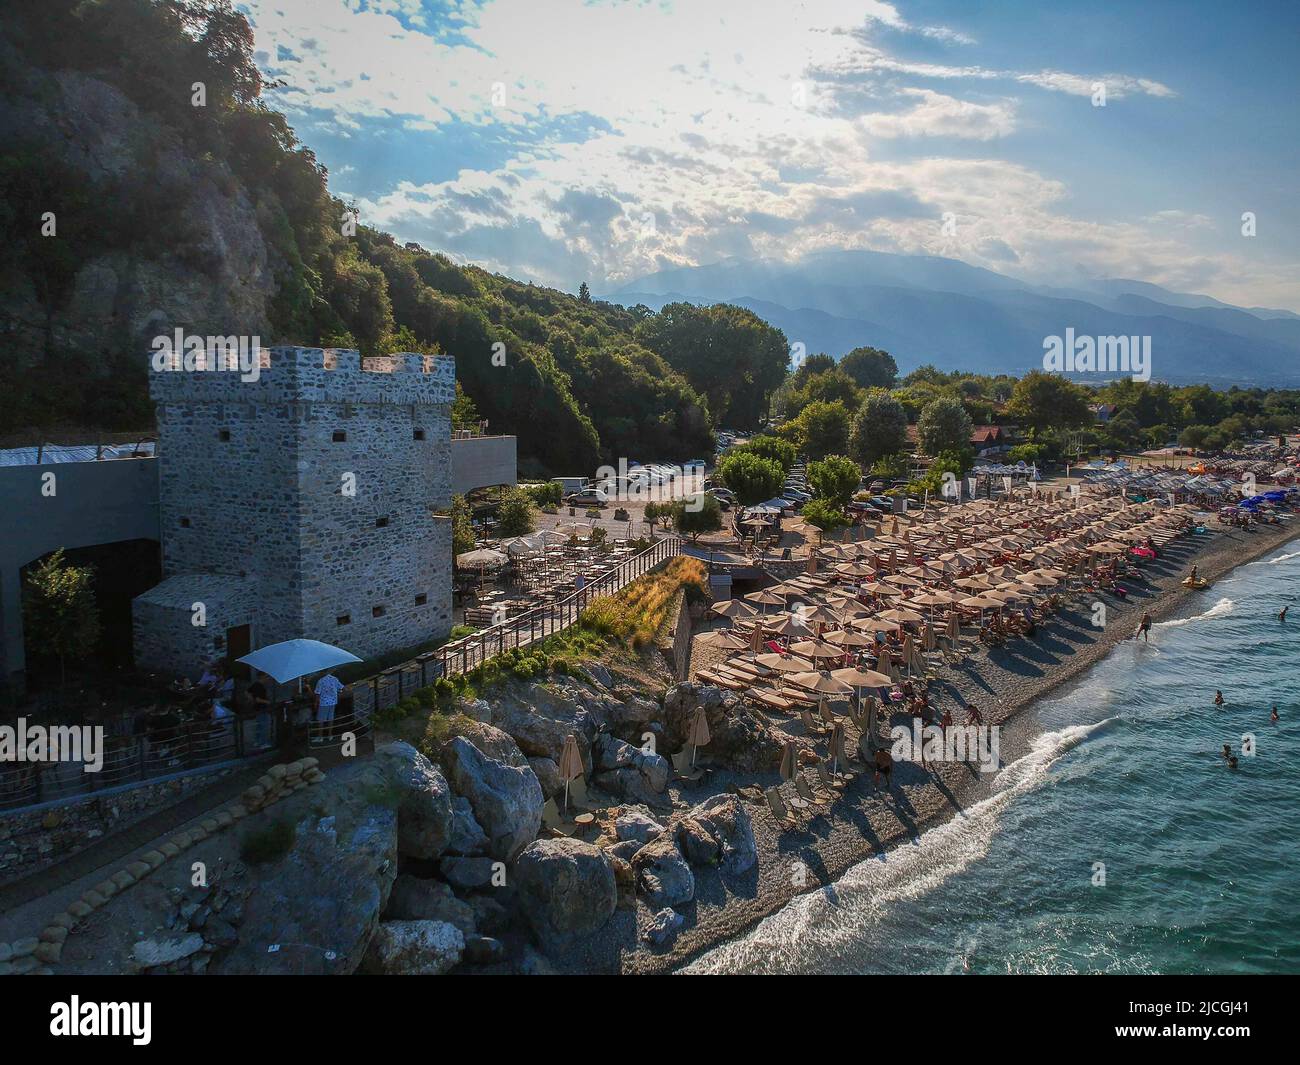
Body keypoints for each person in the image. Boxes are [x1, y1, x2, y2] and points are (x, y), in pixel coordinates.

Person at [313, 671, 345, 743]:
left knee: (321, 720)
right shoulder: (334, 679)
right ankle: (330, 735)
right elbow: (341, 687)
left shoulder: (320, 681)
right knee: (330, 719)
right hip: (333, 702)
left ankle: (320, 737)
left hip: (324, 703)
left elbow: (317, 693)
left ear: (322, 672)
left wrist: (315, 703)